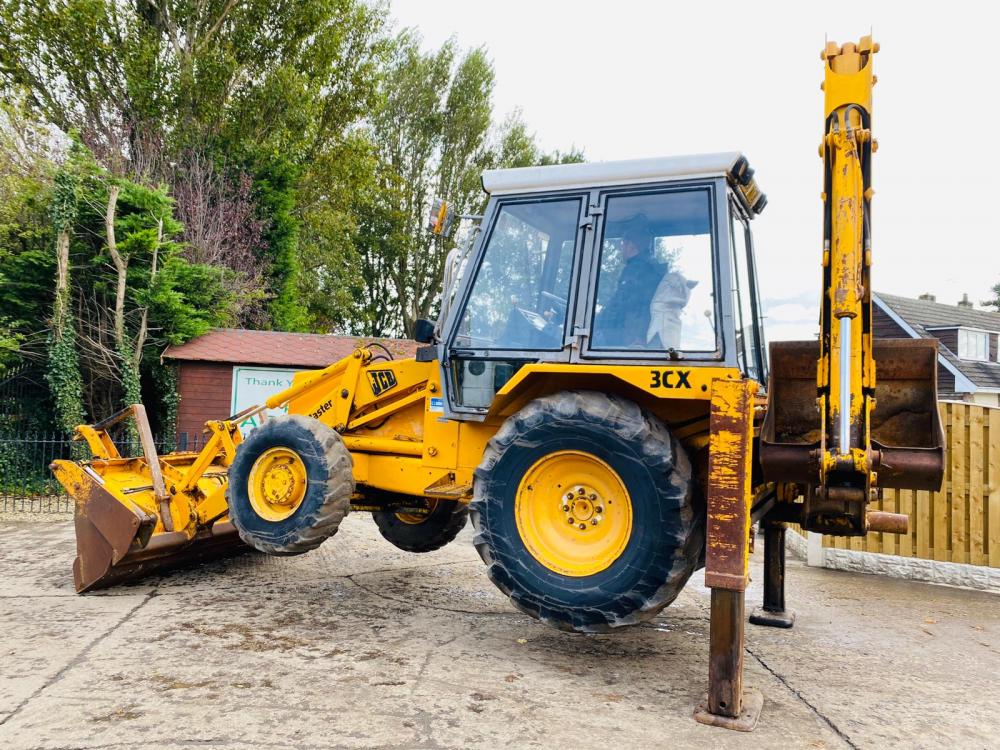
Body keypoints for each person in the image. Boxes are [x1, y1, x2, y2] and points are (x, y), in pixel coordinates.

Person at [595, 227, 665, 348]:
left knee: (586, 337)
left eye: (623, 243)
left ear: (631, 245)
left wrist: (596, 323)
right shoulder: (650, 269)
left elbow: (620, 304)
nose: (620, 248)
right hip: (636, 331)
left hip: (630, 334)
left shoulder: (637, 269)